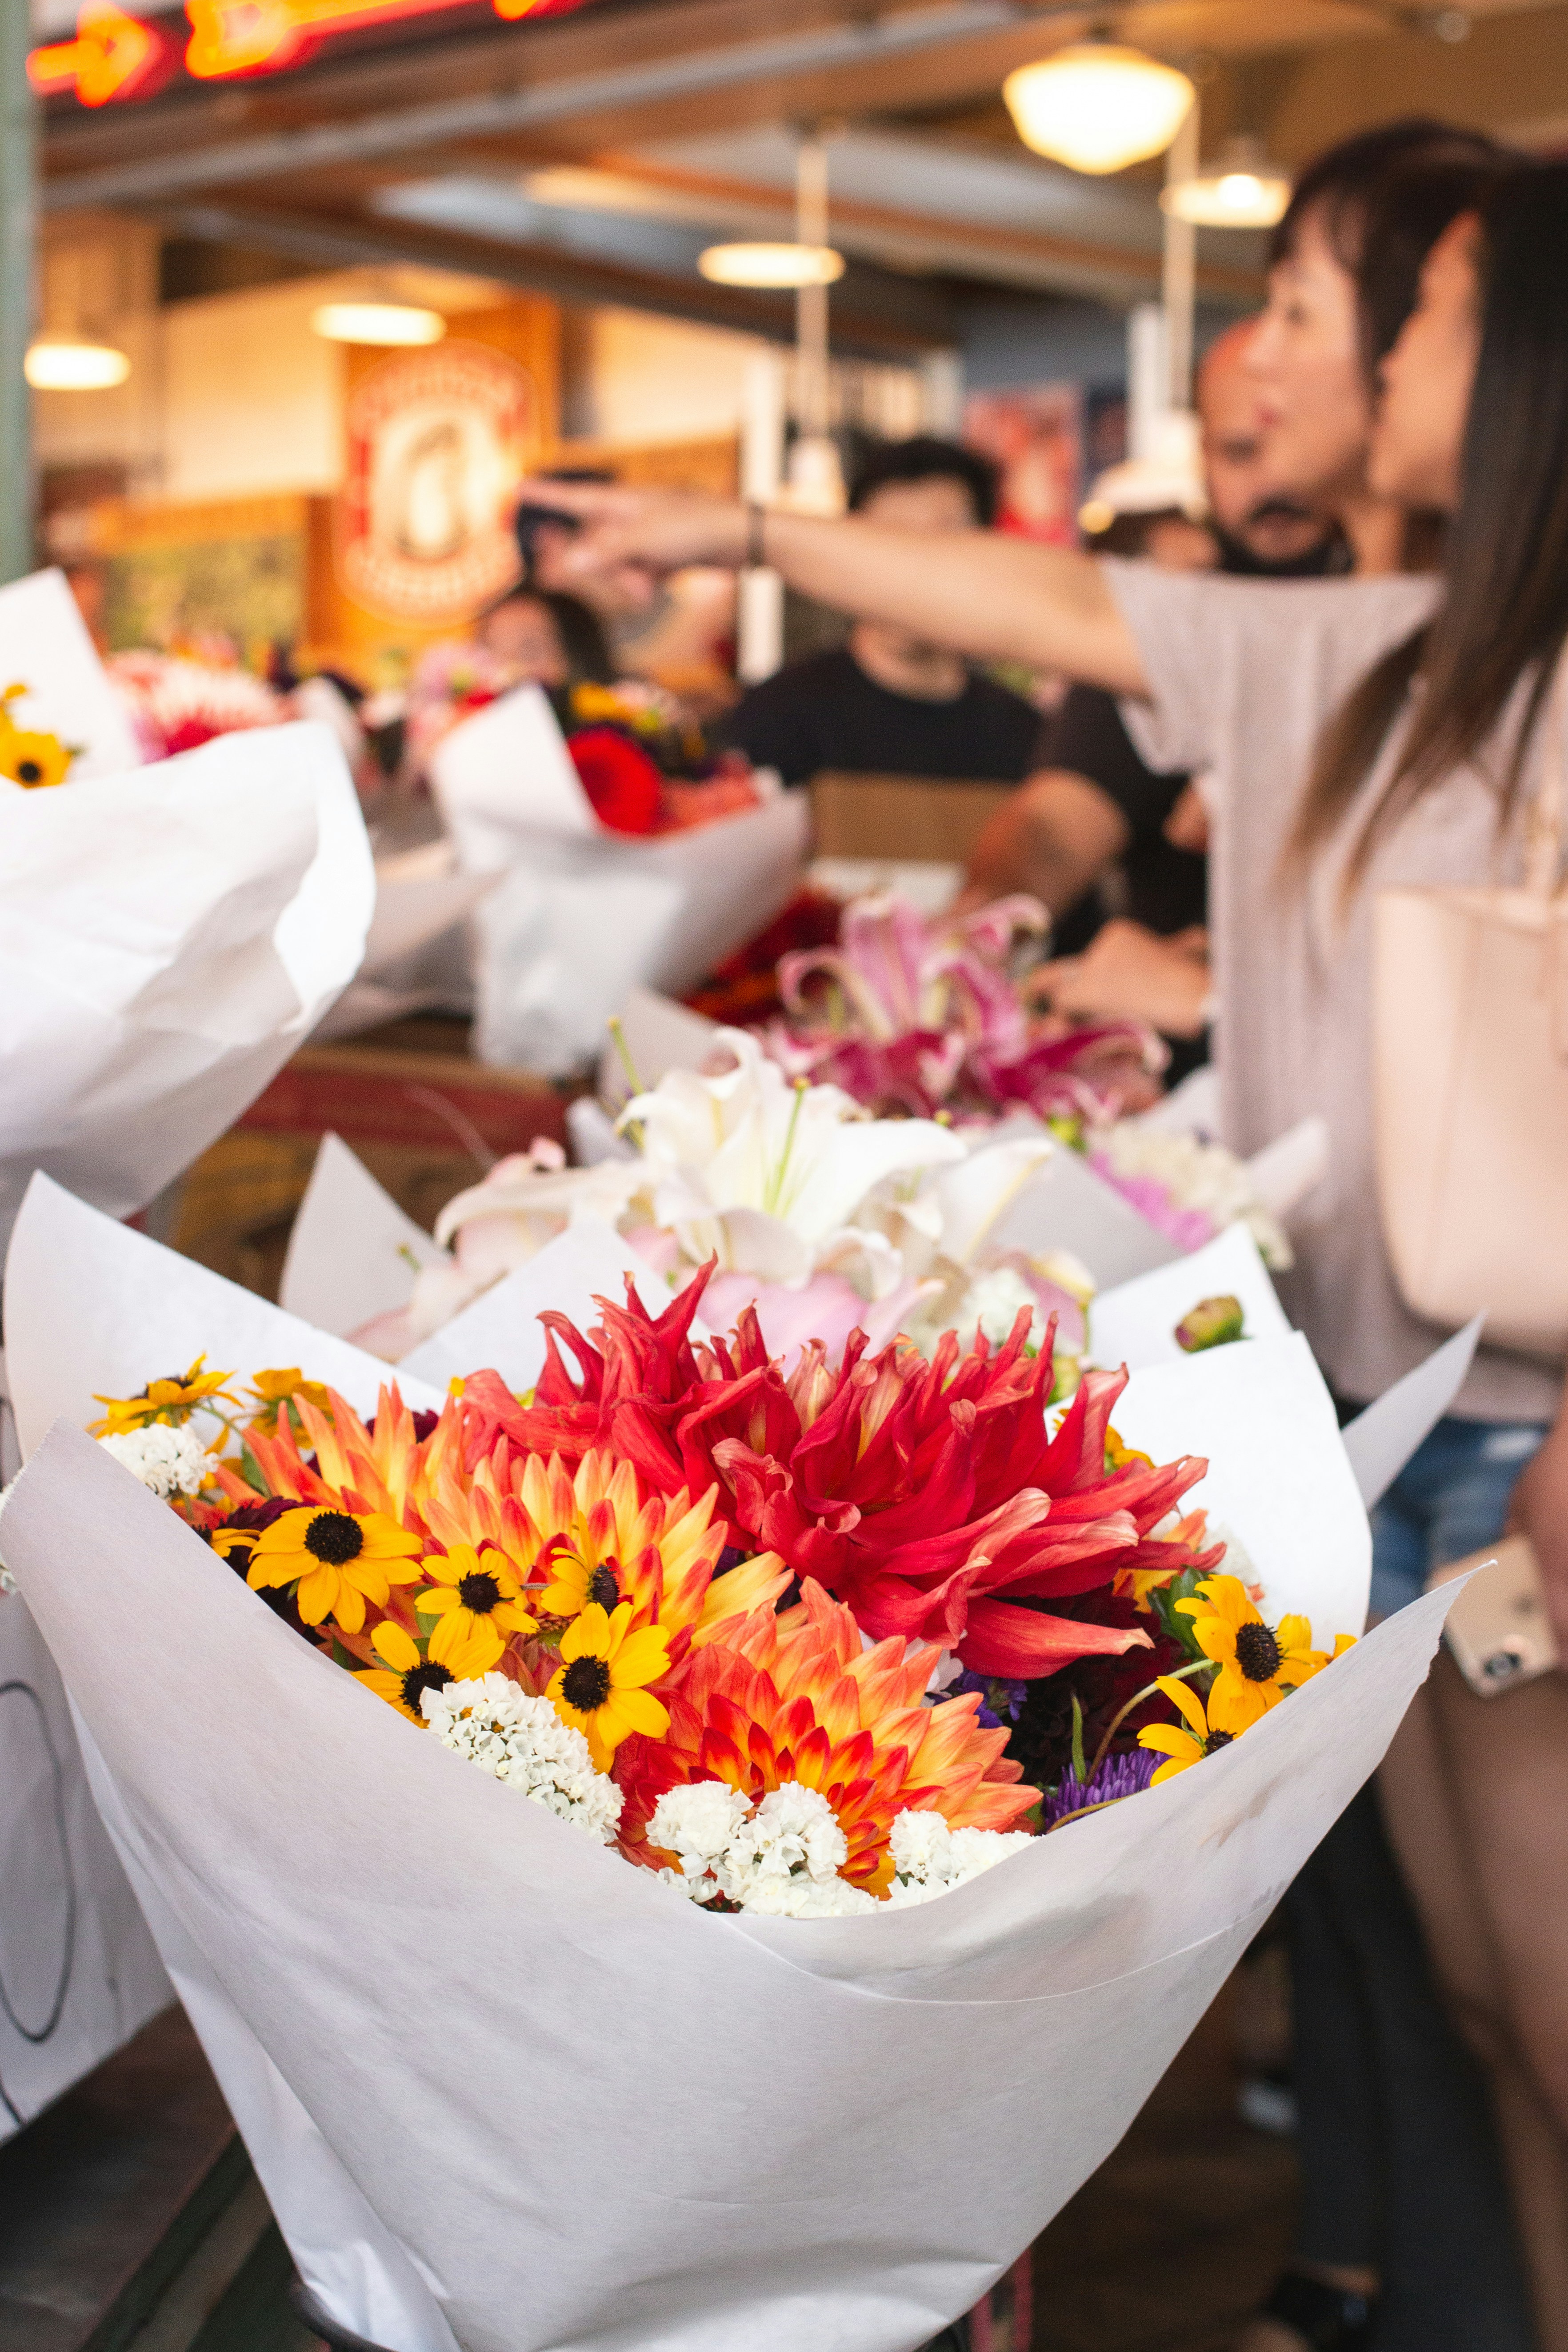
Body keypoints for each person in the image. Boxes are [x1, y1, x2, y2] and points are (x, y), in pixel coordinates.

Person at [514, 131, 1568, 2352]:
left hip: (1532, 1437)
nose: (1350, 351)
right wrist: (728, 523)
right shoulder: (1365, 658)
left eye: (1409, 306)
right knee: (1485, 2024)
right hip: (1386, 1427)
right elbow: (1054, 617)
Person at [964, 321, 1346, 1077]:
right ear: (1200, 457)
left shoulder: (1416, 613)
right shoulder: (1173, 626)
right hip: (1179, 1077)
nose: (1273, 478)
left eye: (1290, 440)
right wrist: (971, 939)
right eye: (1239, 451)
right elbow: (1051, 828)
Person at [717, 438, 1041, 789]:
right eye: (890, 548)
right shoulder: (778, 715)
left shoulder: (1030, 739)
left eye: (937, 548)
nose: (910, 574)